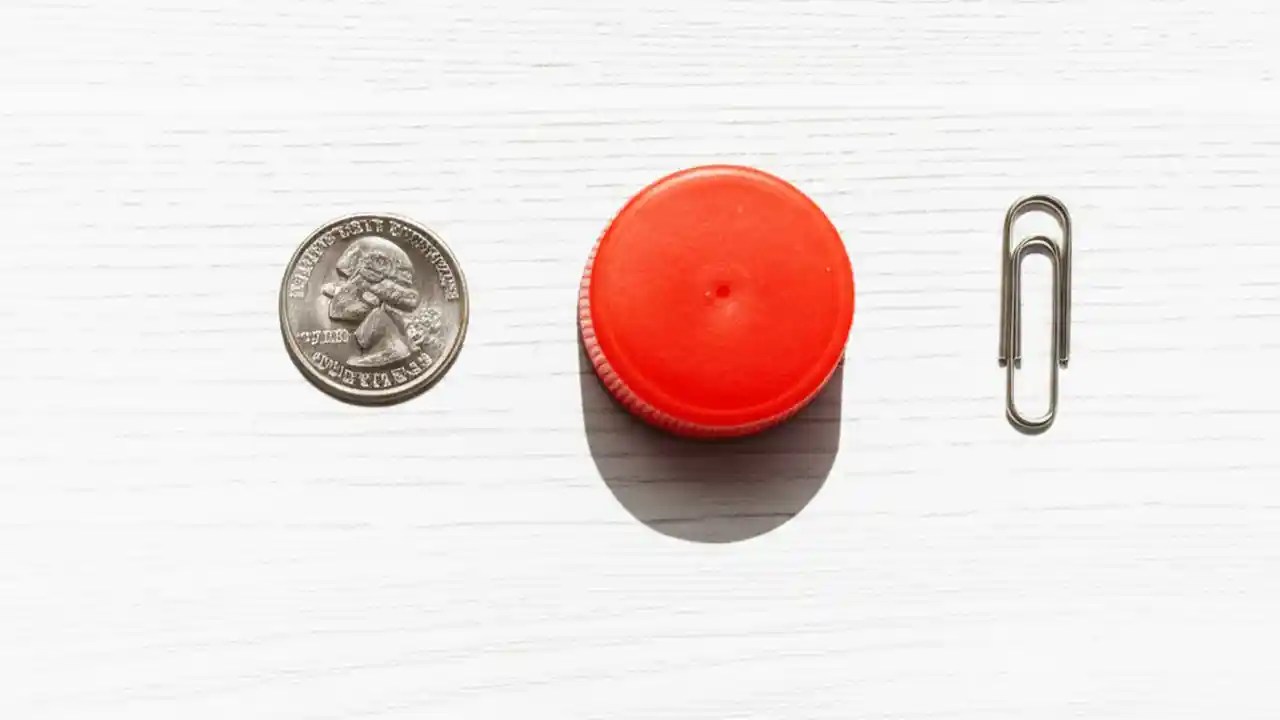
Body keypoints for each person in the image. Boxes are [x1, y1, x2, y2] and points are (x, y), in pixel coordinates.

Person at [321, 237, 421, 368]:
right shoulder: (354, 290)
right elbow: (338, 308)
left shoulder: (382, 303)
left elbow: (410, 300)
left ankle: (390, 347)